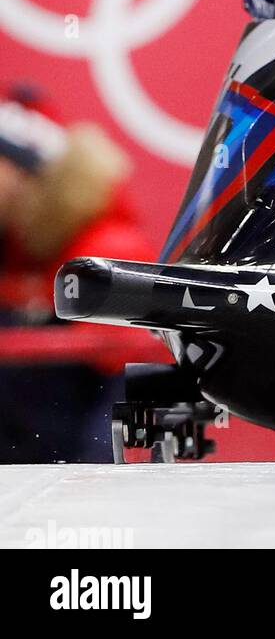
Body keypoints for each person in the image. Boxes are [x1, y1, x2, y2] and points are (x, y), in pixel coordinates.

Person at [0, 86, 153, 463]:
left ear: (25, 176)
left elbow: (132, 387)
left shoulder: (106, 250)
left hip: (68, 481)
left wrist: (92, 491)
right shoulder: (12, 245)